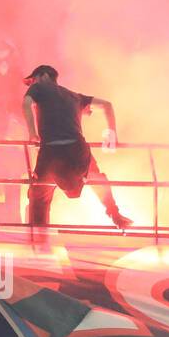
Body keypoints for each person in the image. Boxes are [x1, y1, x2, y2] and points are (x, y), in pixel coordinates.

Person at [21, 66, 131, 230]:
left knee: (39, 194)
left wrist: (32, 133)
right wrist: (111, 133)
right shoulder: (74, 96)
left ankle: (39, 235)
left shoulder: (39, 87)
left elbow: (26, 104)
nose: (32, 84)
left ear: (43, 75)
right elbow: (107, 105)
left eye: (33, 80)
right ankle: (115, 214)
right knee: (96, 177)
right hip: (77, 149)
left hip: (52, 151)